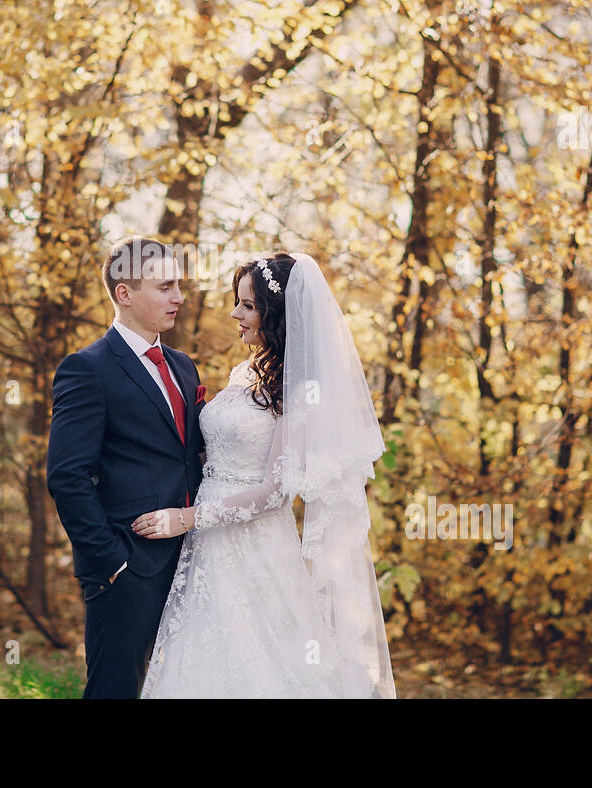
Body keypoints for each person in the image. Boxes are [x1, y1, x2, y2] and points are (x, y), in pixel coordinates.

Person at [136, 251, 397, 698]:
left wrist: (187, 518)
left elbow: (275, 492)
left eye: (248, 306)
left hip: (253, 547)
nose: (235, 313)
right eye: (237, 302)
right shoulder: (246, 372)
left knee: (260, 665)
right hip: (208, 547)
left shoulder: (301, 388)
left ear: (275, 314)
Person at [45, 236, 206, 698]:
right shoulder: (87, 369)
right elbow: (67, 476)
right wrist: (111, 559)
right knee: (115, 690)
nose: (178, 297)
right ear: (125, 294)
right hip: (127, 569)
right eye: (165, 287)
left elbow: (189, 457)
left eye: (179, 285)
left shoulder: (183, 366)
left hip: (193, 561)